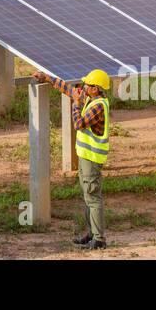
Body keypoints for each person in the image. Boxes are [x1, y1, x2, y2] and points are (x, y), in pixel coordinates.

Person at [32, 68, 111, 250]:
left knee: (92, 196)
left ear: (95, 88)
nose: (83, 86)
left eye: (87, 85)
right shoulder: (90, 99)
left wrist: (75, 104)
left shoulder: (98, 106)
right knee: (87, 196)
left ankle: (99, 239)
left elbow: (78, 124)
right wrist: (46, 78)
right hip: (85, 157)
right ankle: (91, 234)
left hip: (92, 158)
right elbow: (68, 90)